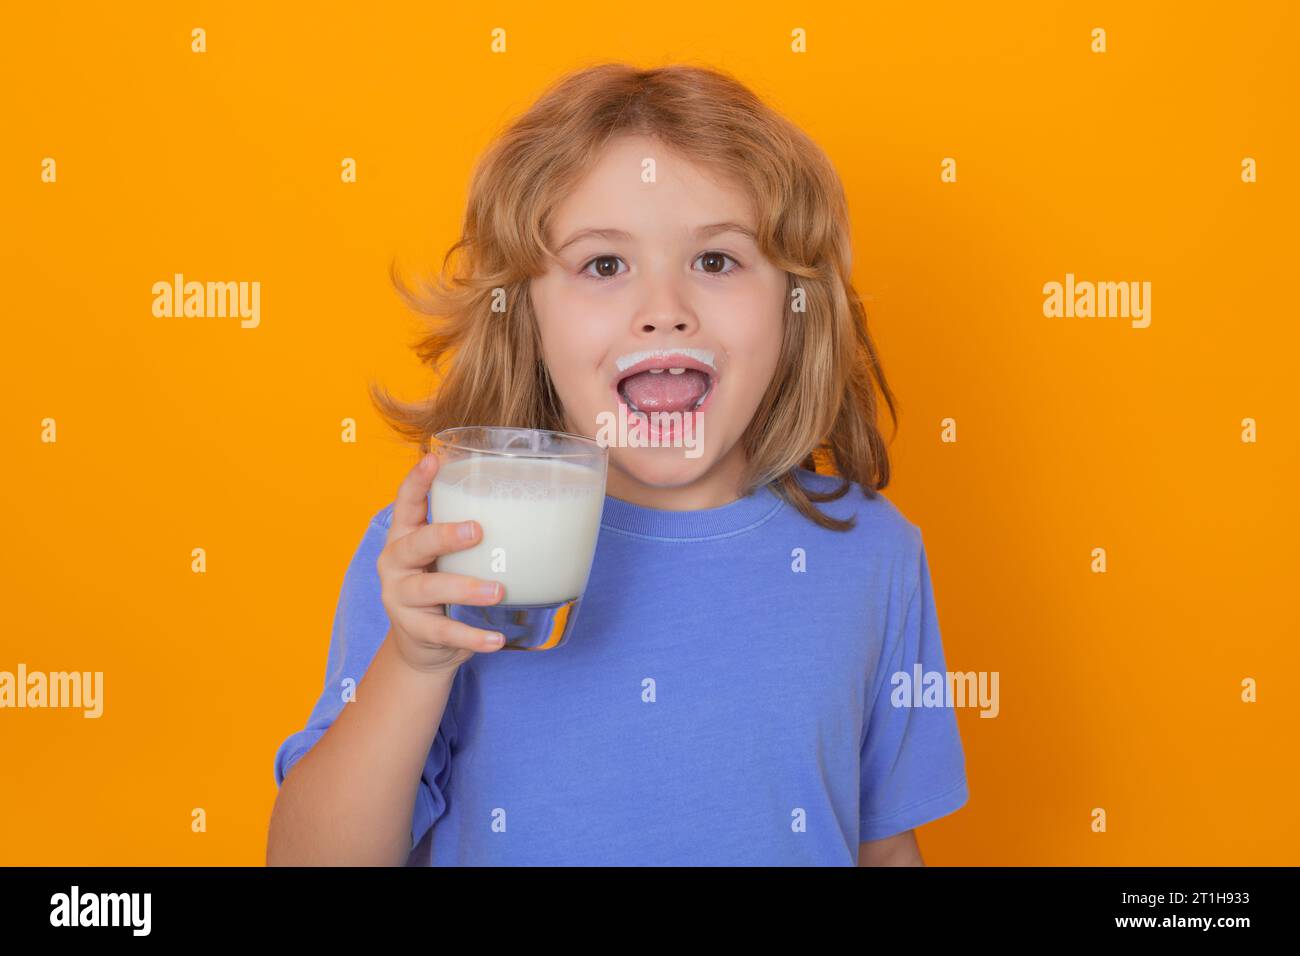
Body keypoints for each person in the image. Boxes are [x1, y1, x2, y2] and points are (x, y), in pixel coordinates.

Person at [267, 62, 969, 866]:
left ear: (794, 306)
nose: (663, 309)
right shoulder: (439, 556)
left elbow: (884, 849)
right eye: (604, 265)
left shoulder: (872, 554)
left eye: (716, 261)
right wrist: (415, 660)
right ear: (525, 316)